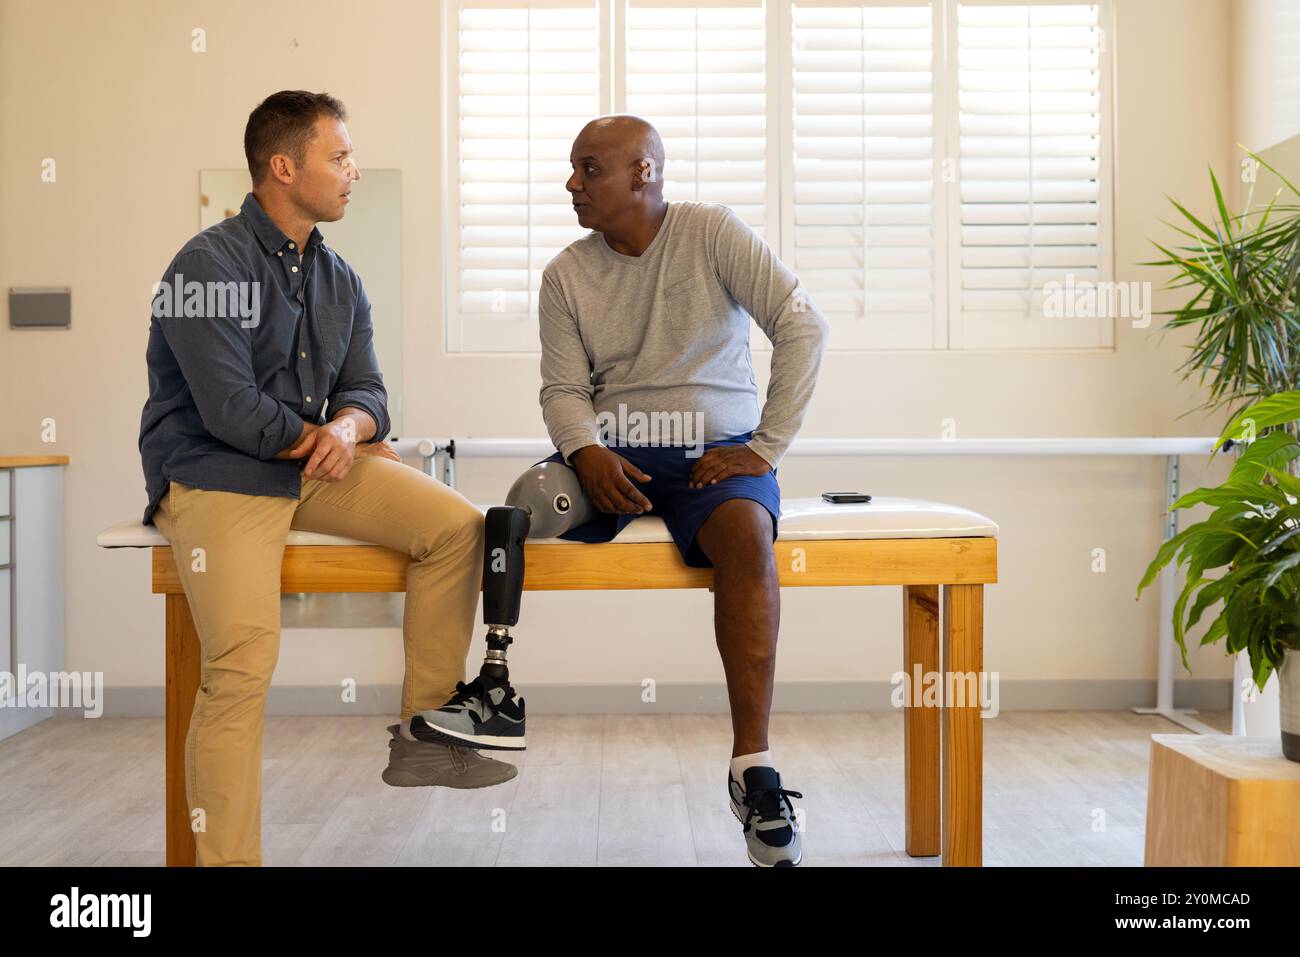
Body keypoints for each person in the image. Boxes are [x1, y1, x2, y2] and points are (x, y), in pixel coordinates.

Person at [138, 90, 515, 867]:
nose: (354, 172)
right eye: (338, 157)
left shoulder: (340, 277)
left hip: (310, 462)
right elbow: (231, 410)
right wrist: (330, 436)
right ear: (284, 166)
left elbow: (371, 392)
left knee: (458, 528)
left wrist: (347, 429)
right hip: (218, 474)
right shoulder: (205, 265)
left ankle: (423, 730)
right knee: (241, 666)